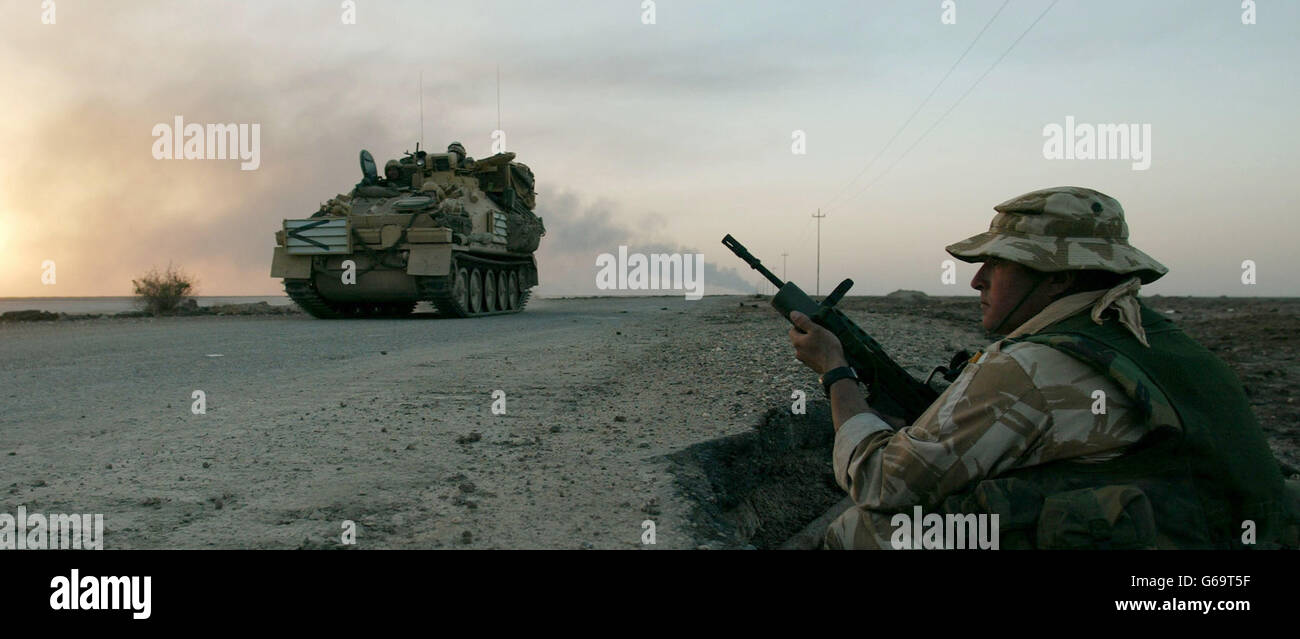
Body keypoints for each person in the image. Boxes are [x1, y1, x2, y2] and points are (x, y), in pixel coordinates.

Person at [788, 186, 1297, 549]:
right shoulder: (1155, 339)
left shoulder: (1031, 366)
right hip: (1222, 537)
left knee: (862, 531)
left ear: (1059, 279)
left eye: (1000, 264)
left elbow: (880, 482)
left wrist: (835, 372)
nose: (977, 281)